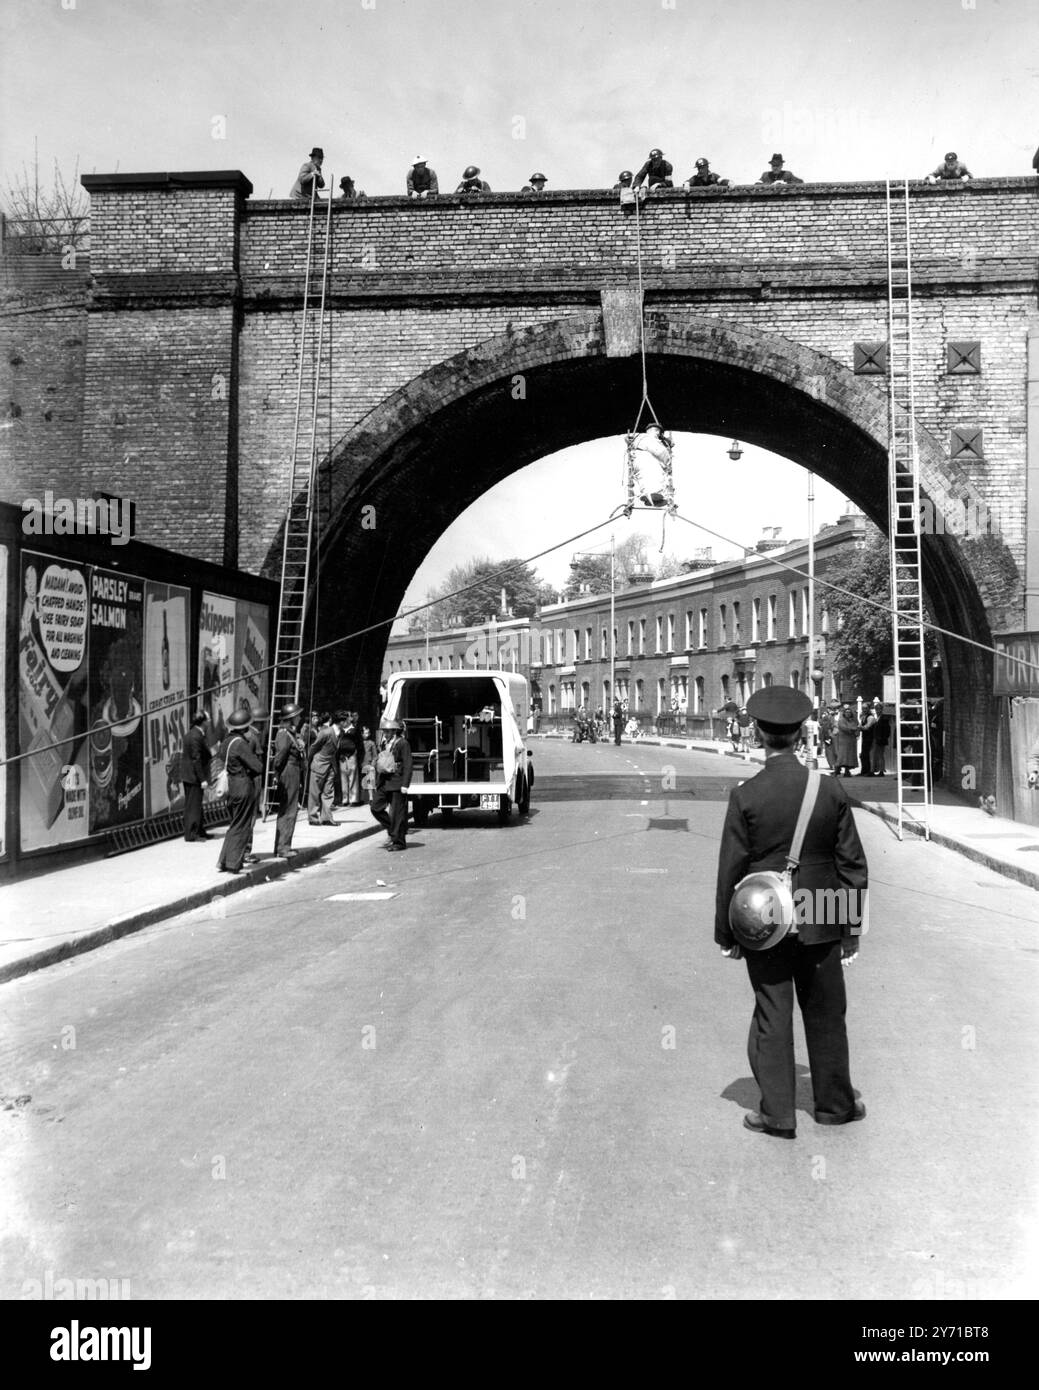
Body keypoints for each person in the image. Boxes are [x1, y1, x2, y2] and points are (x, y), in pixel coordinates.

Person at [714, 685, 867, 1138]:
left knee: (772, 1012)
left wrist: (727, 933)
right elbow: (852, 866)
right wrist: (850, 932)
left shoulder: (746, 795)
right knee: (827, 1012)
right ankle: (835, 1106)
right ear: (801, 734)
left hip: (766, 917)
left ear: (759, 734)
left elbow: (731, 869)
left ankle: (777, 1115)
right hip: (821, 912)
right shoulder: (829, 789)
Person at [216, 708, 262, 874]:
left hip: (232, 785)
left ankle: (223, 861)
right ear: (244, 727)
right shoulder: (241, 743)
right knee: (242, 826)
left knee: (234, 824)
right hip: (243, 785)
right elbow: (258, 767)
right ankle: (233, 863)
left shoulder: (226, 742)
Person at [370, 717, 413, 850]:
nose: (386, 733)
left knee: (396, 814)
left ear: (395, 731)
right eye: (384, 731)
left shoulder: (403, 743)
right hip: (384, 782)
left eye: (388, 731)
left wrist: (405, 784)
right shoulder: (384, 743)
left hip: (397, 782)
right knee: (375, 807)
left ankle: (399, 842)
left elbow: (408, 764)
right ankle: (393, 830)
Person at [272, 701, 306, 858]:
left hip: (291, 771)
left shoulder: (289, 733)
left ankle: (281, 846)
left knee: (287, 809)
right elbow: (279, 758)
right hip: (289, 772)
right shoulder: (284, 734)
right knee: (289, 810)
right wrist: (276, 774)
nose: (299, 718)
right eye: (297, 716)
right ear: (291, 718)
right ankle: (284, 848)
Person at [180, 710, 212, 841]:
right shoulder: (195, 736)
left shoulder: (196, 733)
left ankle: (199, 830)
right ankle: (192, 834)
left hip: (192, 775)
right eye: (208, 719)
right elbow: (196, 759)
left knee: (196, 805)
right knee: (193, 806)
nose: (209, 721)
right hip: (193, 777)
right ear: (203, 722)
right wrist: (202, 779)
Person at [307, 713, 340, 824]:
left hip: (330, 766)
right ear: (342, 722)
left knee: (328, 792)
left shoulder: (340, 733)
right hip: (319, 765)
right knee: (315, 793)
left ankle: (326, 818)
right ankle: (313, 818)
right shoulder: (325, 732)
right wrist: (309, 761)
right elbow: (314, 747)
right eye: (347, 721)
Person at [339, 709, 363, 807]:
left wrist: (356, 753)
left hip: (352, 755)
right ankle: (345, 799)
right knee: (343, 778)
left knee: (353, 777)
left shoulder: (355, 729)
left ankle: (354, 799)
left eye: (348, 717)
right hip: (342, 757)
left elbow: (359, 743)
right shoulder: (340, 730)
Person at [834, 702, 859, 776]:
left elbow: (857, 727)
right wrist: (852, 729)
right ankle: (837, 770)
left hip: (851, 741)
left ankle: (847, 771)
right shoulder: (841, 720)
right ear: (844, 713)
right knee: (842, 756)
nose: (848, 714)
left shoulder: (853, 720)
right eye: (846, 712)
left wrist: (855, 730)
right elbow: (844, 728)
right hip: (843, 741)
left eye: (849, 712)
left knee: (850, 756)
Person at [871, 701, 890, 776]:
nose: (877, 710)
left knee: (880, 755)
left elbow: (887, 730)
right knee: (876, 755)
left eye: (879, 709)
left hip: (881, 739)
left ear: (881, 709)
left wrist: (883, 738)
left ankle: (881, 770)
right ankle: (876, 769)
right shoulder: (877, 718)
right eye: (876, 709)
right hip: (876, 739)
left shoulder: (884, 718)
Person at [360, 724, 377, 803]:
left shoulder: (371, 743)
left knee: (369, 781)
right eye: (365, 733)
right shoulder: (359, 743)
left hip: (369, 764)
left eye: (368, 733)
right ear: (361, 734)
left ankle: (371, 798)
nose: (367, 734)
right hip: (361, 764)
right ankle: (362, 798)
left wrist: (373, 764)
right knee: (361, 782)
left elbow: (375, 756)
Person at [859, 702, 877, 776]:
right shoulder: (863, 716)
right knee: (863, 755)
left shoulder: (870, 717)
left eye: (866, 708)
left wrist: (859, 727)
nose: (864, 710)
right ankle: (864, 771)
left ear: (869, 709)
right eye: (863, 708)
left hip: (870, 738)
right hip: (865, 737)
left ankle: (870, 771)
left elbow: (867, 727)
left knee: (868, 754)